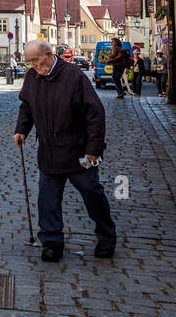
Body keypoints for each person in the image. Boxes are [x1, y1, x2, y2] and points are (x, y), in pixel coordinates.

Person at [13, 40, 117, 262]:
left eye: (35, 60)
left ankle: (106, 237)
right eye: (29, 61)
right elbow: (27, 106)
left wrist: (94, 149)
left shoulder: (74, 76)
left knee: (92, 193)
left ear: (49, 55)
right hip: (49, 151)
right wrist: (22, 130)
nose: (32, 66)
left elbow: (95, 114)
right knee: (48, 198)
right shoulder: (32, 77)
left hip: (77, 150)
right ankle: (51, 242)